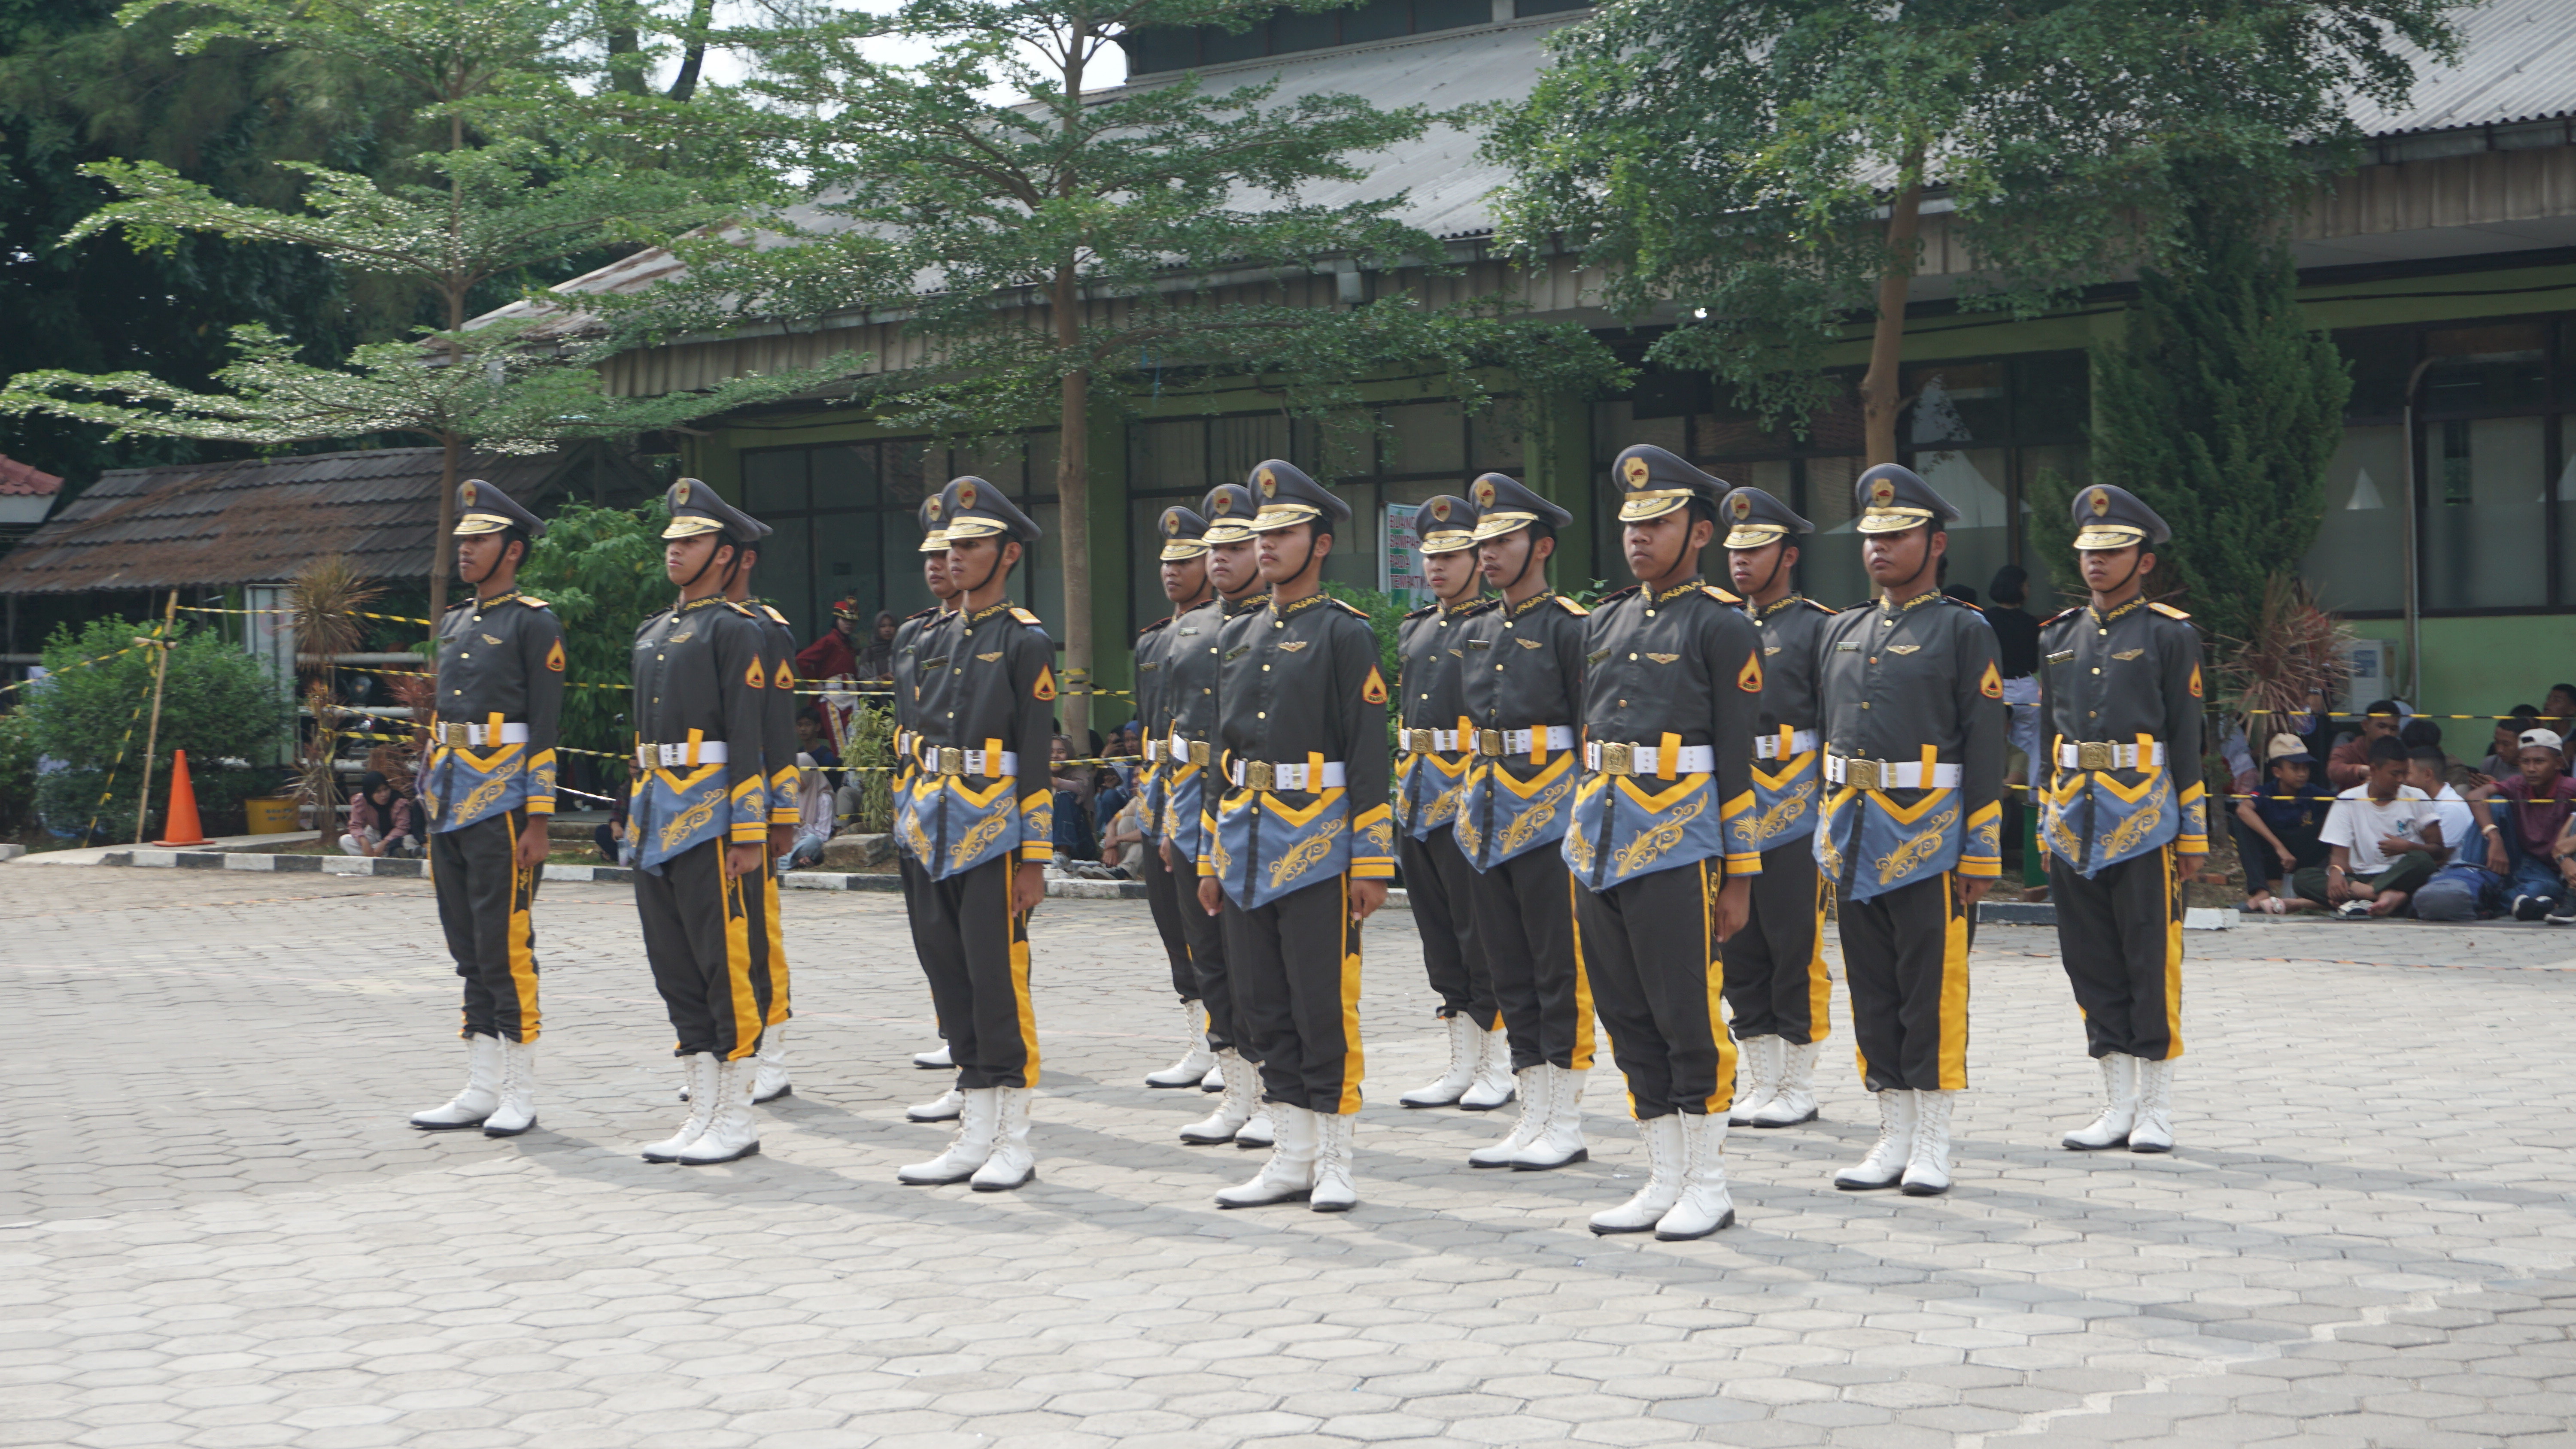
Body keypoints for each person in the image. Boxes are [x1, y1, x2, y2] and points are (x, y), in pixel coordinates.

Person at [1566, 446, 1763, 1240]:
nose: (1641, 538)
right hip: (1600, 838)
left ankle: (1708, 1182)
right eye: (1632, 525)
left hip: (1680, 841)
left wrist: (1741, 874)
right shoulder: (1608, 618)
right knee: (1625, 1012)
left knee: (1687, 1012)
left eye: (1661, 523)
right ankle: (1663, 1176)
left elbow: (1741, 760)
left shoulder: (1720, 623)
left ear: (1701, 531)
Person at [1197, 460, 1394, 1213]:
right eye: (1261, 532)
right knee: (1261, 1003)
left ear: (1320, 543)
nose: (1267, 544)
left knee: (1321, 1005)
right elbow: (1222, 758)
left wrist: (1371, 861)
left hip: (1317, 846)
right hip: (1245, 848)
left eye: (1284, 532)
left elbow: (1368, 754)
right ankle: (1290, 1152)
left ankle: (1336, 1156)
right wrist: (1212, 856)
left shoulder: (1344, 634)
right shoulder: (1238, 635)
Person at [1815, 462, 2006, 1198]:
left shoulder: (1964, 630)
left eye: (1898, 536)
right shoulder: (1845, 629)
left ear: (1936, 542)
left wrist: (1981, 848)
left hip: (1927, 840)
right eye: (1872, 537)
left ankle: (1933, 1138)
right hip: (1854, 837)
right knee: (1873, 991)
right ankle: (1891, 1132)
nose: (1880, 549)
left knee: (1932, 991)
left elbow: (1985, 745)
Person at [892, 475, 1055, 1192]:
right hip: (928, 829)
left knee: (997, 986)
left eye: (973, 544)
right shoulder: (925, 637)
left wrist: (1034, 856)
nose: (956, 557)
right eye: (952, 546)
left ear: (1009, 553)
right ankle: (973, 1130)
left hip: (993, 836)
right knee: (950, 980)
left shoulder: (1023, 641)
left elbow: (1037, 756)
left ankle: (1012, 1137)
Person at [2036, 485, 2206, 1157]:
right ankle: (2115, 1103)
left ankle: (2156, 1108)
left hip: (2145, 820)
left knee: (2149, 961)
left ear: (2144, 561)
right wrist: (2046, 818)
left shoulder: (2169, 634)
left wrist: (2191, 832)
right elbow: (2047, 737)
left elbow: (2188, 739)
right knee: (2090, 963)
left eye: (2114, 551)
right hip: (2073, 820)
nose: (2098, 563)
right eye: (2089, 552)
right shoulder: (2057, 636)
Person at [627, 479, 779, 1167]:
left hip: (712, 819)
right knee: (675, 968)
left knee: (728, 969)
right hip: (656, 814)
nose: (675, 552)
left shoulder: (734, 630)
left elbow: (749, 737)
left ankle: (737, 1115)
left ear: (725, 553)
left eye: (690, 541)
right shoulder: (654, 632)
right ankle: (701, 1109)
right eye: (672, 541)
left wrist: (749, 832)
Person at [408, 479, 564, 1140]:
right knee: (466, 947)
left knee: (505, 946)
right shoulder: (455, 622)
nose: (465, 550)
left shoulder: (534, 622)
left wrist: (539, 819)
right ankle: (479, 1084)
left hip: (503, 802)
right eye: (462, 540)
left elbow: (547, 728)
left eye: (480, 540)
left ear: (513, 551)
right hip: (449, 799)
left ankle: (519, 1090)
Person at [1452, 473, 1594, 1171]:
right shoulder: (1475, 629)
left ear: (1540, 546)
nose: (1488, 554)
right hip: (1484, 817)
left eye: (1503, 541)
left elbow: (1592, 735)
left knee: (1555, 969)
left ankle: (1564, 1118)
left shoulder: (1571, 627)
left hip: (1551, 817)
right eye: (1482, 544)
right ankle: (1530, 1113)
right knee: (1507, 970)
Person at [1718, 486, 1838, 1130]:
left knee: (1795, 943)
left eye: (1756, 550)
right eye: (1734, 550)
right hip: (1730, 805)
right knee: (1739, 945)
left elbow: (1838, 723)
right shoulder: (1722, 624)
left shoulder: (1818, 628)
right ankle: (1760, 1078)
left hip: (1795, 806)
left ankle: (1797, 1079)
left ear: (1787, 555)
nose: (1741, 562)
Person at [1160, 484, 1276, 1147]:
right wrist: (1169, 820)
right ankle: (1235, 1090)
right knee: (1208, 959)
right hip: (1193, 814)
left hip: (1252, 813)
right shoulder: (1193, 630)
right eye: (1216, 549)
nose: (1223, 559)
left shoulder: (1277, 628)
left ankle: (1271, 1095)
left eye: (1237, 547)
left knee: (1255, 966)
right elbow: (1177, 738)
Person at [1390, 492, 1507, 1113]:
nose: (1437, 567)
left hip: (1470, 793)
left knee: (1478, 932)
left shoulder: (1492, 626)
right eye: (1430, 556)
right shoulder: (1416, 628)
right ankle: (1461, 1062)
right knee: (1438, 936)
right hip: (1416, 793)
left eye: (1451, 555)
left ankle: (1497, 1063)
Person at [1131, 507, 1221, 1094]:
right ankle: (1198, 1039)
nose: (1172, 571)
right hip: (1157, 795)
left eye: (1184, 561)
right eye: (1166, 562)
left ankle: (1225, 1040)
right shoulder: (1153, 640)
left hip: (1201, 797)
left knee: (1208, 927)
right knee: (1172, 926)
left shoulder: (1220, 633)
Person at [890, 498, 968, 1113]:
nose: (937, 566)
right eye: (930, 557)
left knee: (983, 940)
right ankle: (953, 1030)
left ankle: (985, 1042)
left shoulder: (996, 633)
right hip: (919, 797)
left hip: (971, 805)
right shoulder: (917, 633)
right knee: (931, 933)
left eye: (947, 554)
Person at [727, 532, 805, 1105]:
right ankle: (726, 1053)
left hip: (750, 809)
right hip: (694, 805)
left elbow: (779, 730)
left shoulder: (766, 630)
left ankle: (771, 1053)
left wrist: (781, 814)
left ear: (742, 558)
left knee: (758, 933)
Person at [2296, 735, 2441, 918]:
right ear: (2374, 770)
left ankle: (2360, 898)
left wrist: (2408, 847)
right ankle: (2377, 896)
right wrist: (2335, 873)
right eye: (2395, 774)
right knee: (2302, 879)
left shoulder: (2417, 797)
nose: (2401, 779)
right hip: (2360, 877)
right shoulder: (2348, 800)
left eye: (2404, 773)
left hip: (2401, 875)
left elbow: (2438, 851)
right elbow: (2339, 859)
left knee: (2422, 861)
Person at [2461, 727, 2576, 921]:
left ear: (2557, 763)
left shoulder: (2570, 789)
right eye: (2525, 762)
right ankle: (2468, 878)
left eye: (2539, 762)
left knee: (2541, 888)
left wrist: (2565, 853)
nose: (2531, 769)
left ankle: (2485, 900)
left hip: (2555, 869)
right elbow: (2475, 795)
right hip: (2520, 858)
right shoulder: (2518, 784)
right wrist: (2494, 836)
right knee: (2495, 804)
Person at [2231, 734, 2330, 913]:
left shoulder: (2313, 792)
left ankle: (2321, 883)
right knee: (2242, 821)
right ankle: (2261, 892)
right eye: (2295, 768)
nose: (2302, 774)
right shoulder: (2266, 792)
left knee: (2337, 813)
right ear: (2278, 772)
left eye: (2305, 768)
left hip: (2305, 857)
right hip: (2274, 859)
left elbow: (2343, 802)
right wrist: (2279, 848)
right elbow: (2243, 810)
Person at [341, 770, 421, 858]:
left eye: (386, 789)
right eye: (378, 792)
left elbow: (402, 828)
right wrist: (363, 841)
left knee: (407, 842)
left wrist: (384, 843)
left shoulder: (399, 802)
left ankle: (378, 855)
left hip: (396, 838)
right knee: (345, 840)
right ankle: (381, 855)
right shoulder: (361, 801)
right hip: (376, 833)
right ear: (370, 794)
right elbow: (355, 826)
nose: (384, 795)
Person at [2326, 700, 2403, 789]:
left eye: (2393, 729)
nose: (2387, 733)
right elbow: (2334, 771)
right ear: (2365, 725)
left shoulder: (2400, 754)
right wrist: (2361, 771)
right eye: (2381, 727)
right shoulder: (2348, 750)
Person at [794, 598, 862, 683]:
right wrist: (814, 684)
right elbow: (801, 659)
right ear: (836, 620)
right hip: (831, 692)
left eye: (853, 621)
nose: (849, 624)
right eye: (845, 620)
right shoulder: (830, 640)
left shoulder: (850, 645)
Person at [2481, 709, 2541, 781]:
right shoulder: (2490, 764)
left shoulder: (2533, 771)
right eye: (2497, 742)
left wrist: (2496, 788)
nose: (2499, 750)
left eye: (2506, 745)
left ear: (2523, 743)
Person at [857, 610, 899, 682]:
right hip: (877, 692)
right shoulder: (869, 653)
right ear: (877, 628)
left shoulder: (901, 650)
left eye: (892, 626)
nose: (888, 630)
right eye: (883, 626)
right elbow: (863, 683)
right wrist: (879, 681)